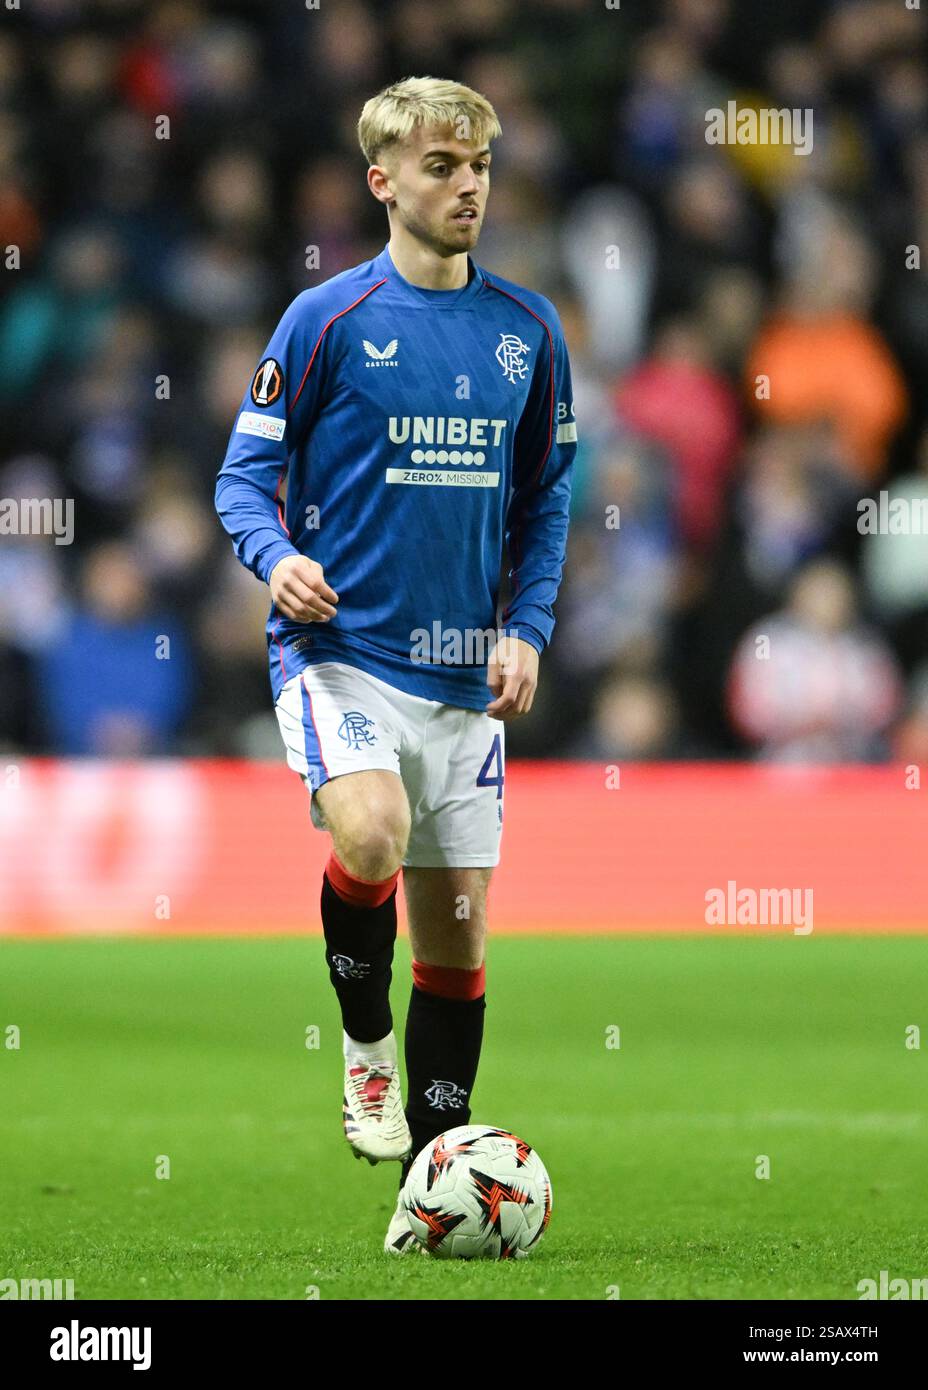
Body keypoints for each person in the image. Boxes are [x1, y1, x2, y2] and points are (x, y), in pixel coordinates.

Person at [215, 76, 577, 1254]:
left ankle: (434, 1183)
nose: (466, 185)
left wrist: (526, 625)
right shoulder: (323, 320)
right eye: (439, 167)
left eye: (478, 166)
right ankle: (363, 1048)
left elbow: (548, 493)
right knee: (366, 835)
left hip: (466, 677)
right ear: (383, 181)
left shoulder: (527, 331)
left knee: (458, 944)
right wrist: (275, 558)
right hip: (343, 656)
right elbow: (239, 480)